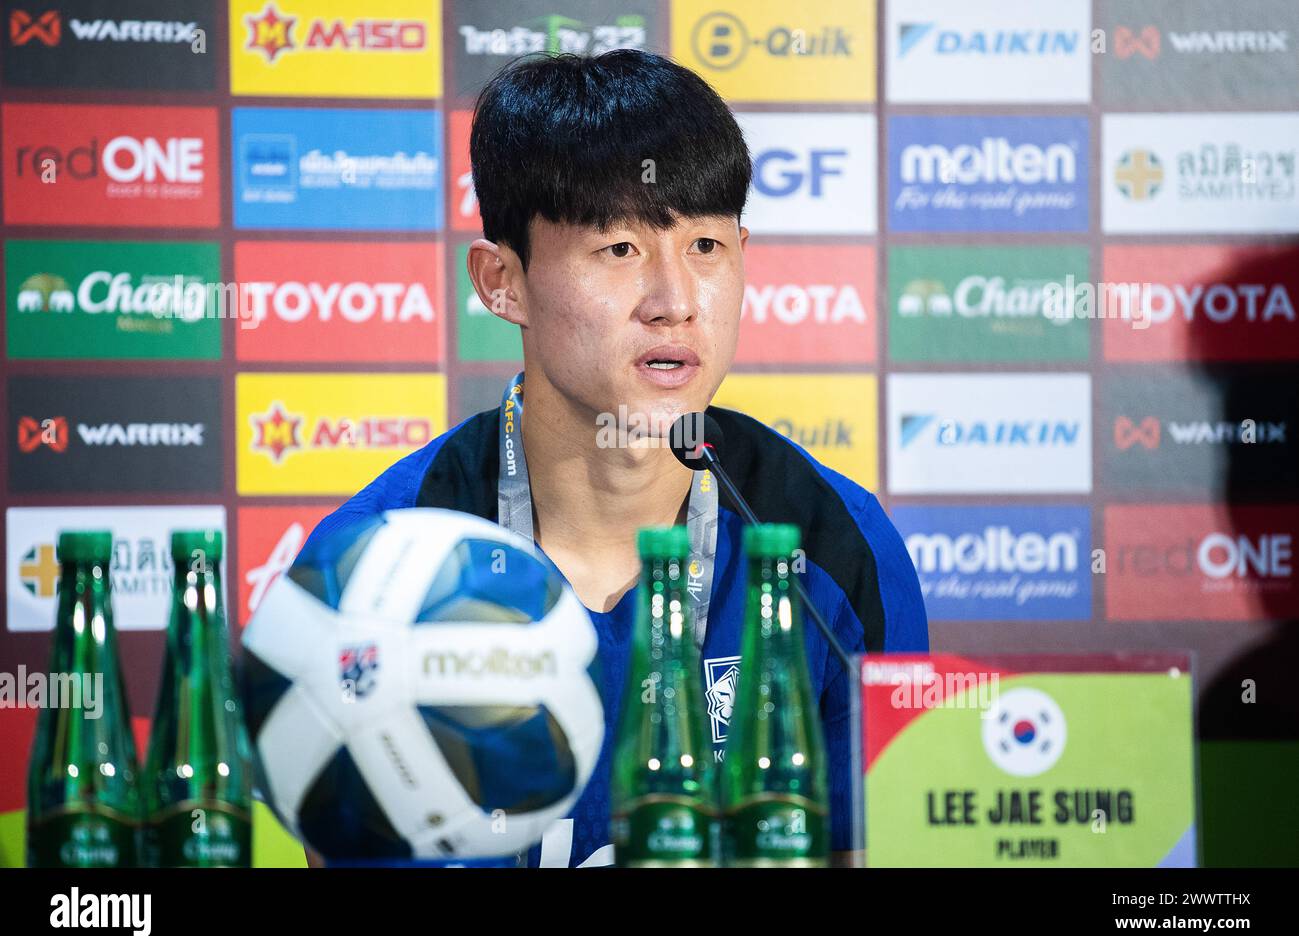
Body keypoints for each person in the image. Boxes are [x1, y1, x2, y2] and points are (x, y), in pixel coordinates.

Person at [302, 48, 928, 867]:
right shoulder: (376, 567)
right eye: (621, 249)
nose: (675, 302)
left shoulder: (836, 546)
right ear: (503, 281)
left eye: (706, 245)